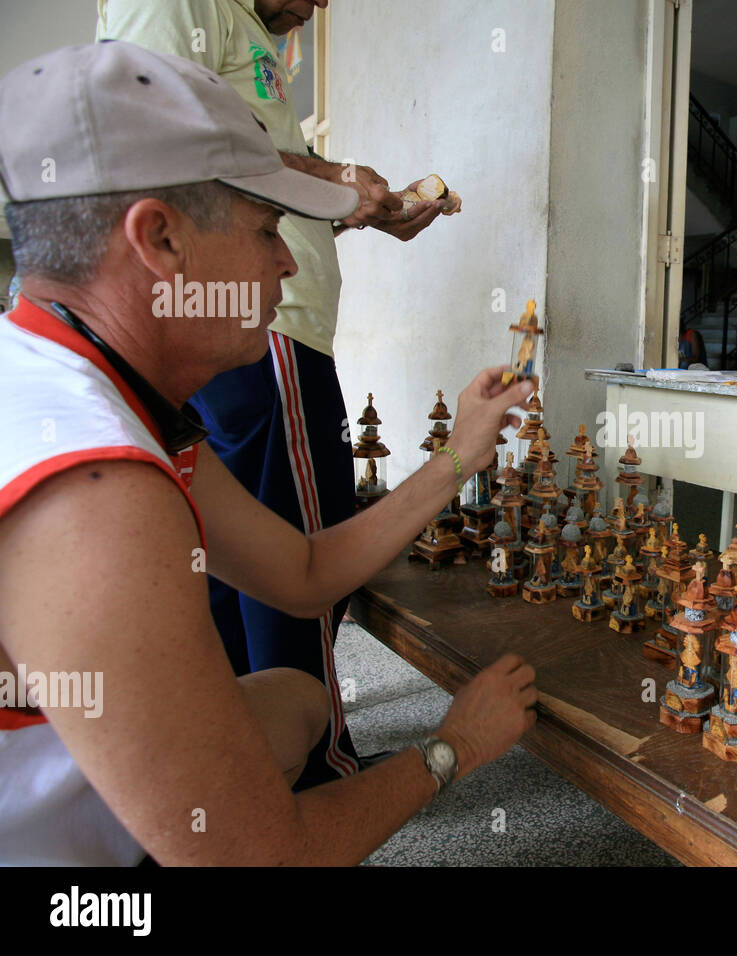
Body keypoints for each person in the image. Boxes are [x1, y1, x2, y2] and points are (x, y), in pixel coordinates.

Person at [0, 42, 534, 865]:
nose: (286, 262)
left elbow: (303, 573)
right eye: (265, 228)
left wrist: (460, 454)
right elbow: (261, 859)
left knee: (296, 700)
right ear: (161, 242)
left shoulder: (77, 377)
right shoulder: (95, 489)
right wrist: (450, 748)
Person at [97, 0, 459, 786]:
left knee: (241, 560)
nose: (320, 5)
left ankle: (237, 758)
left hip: (257, 332)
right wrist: (331, 177)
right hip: (263, 336)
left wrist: (351, 210)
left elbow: (236, 172)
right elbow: (152, 128)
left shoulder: (251, 32)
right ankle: (315, 778)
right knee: (302, 543)